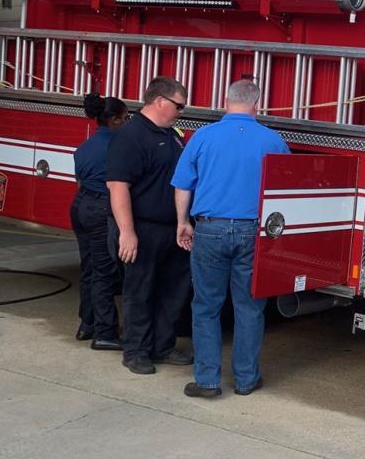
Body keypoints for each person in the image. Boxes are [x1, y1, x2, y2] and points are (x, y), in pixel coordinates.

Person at [171, 80, 289, 398]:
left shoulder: (203, 136)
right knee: (250, 307)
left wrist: (183, 222)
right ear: (257, 104)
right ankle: (246, 380)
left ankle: (208, 381)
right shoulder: (274, 140)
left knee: (206, 306)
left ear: (226, 101)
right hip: (254, 232)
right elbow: (286, 191)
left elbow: (183, 184)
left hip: (210, 229)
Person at [107, 76, 194, 375]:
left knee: (173, 291)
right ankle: (136, 351)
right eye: (178, 106)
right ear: (159, 101)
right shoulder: (131, 136)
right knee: (140, 291)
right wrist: (127, 232)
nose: (181, 112)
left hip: (173, 229)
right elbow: (118, 186)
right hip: (143, 228)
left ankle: (162, 346)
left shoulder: (172, 135)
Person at [70, 93, 128, 349]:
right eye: (125, 118)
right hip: (102, 209)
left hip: (80, 207)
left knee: (89, 267)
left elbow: (79, 182)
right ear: (114, 120)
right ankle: (105, 333)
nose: (127, 123)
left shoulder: (85, 146)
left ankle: (88, 323)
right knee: (105, 272)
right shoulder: (118, 147)